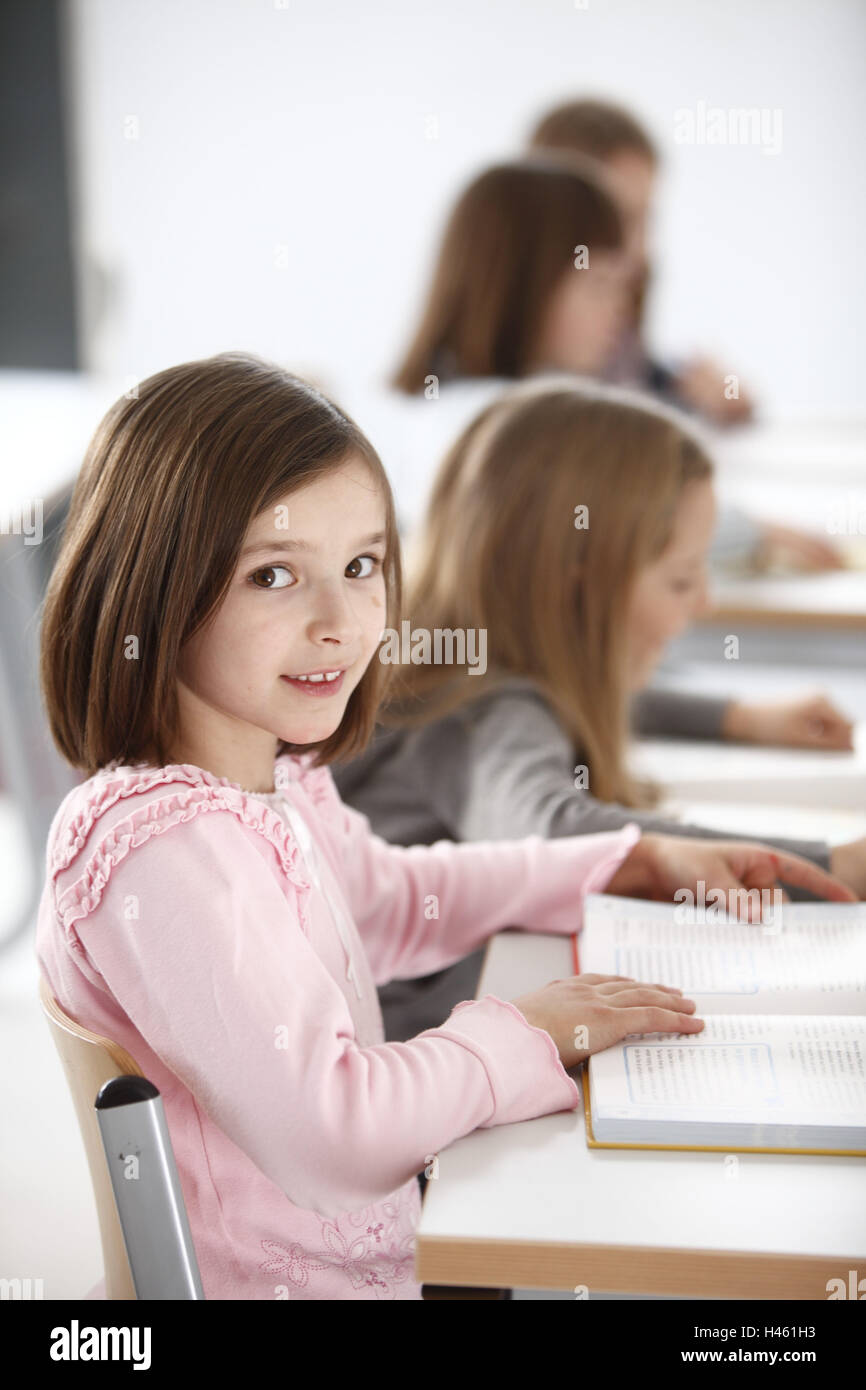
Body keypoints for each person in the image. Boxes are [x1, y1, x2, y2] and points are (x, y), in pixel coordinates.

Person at [332, 378, 864, 1040]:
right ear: (577, 578)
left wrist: (736, 717)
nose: (704, 603)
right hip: (413, 1056)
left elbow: (564, 683)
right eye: (680, 578)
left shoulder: (454, 660)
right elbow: (556, 824)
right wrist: (834, 864)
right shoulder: (487, 713)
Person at [526, 96, 843, 570]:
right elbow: (602, 507)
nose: (634, 249)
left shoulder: (616, 338)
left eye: (645, 218)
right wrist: (748, 533)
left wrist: (703, 403)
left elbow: (631, 412)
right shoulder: (508, 394)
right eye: (618, 218)